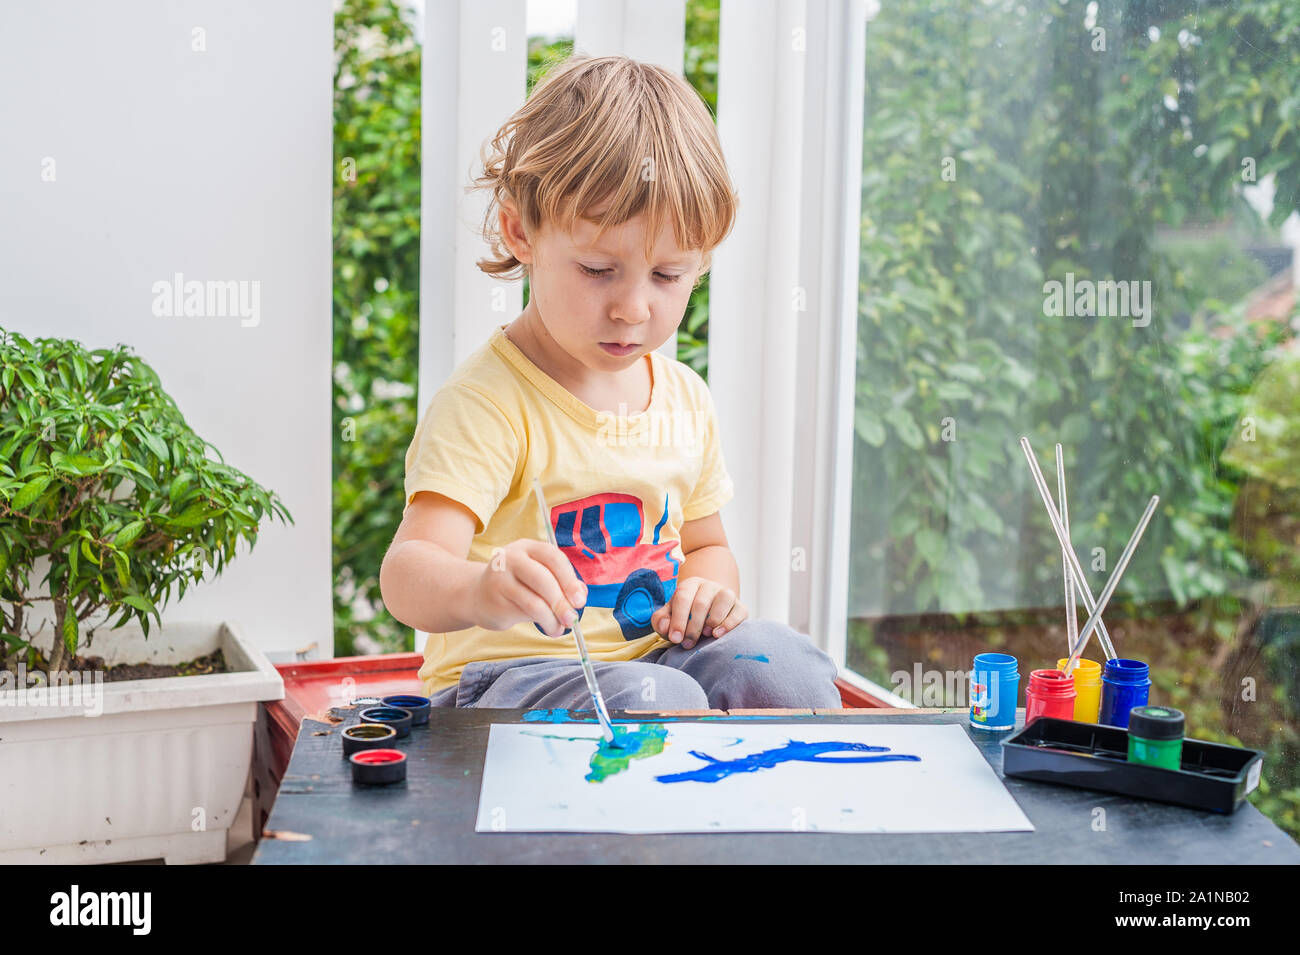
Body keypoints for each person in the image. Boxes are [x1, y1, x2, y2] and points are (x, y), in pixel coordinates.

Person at [379, 54, 841, 711]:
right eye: (598, 269)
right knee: (660, 701)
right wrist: (482, 586)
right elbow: (407, 574)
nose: (633, 307)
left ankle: (751, 807)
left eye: (668, 274)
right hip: (508, 681)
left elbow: (708, 547)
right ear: (521, 231)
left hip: (653, 660)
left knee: (785, 671)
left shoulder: (683, 398)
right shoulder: (489, 403)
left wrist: (708, 590)